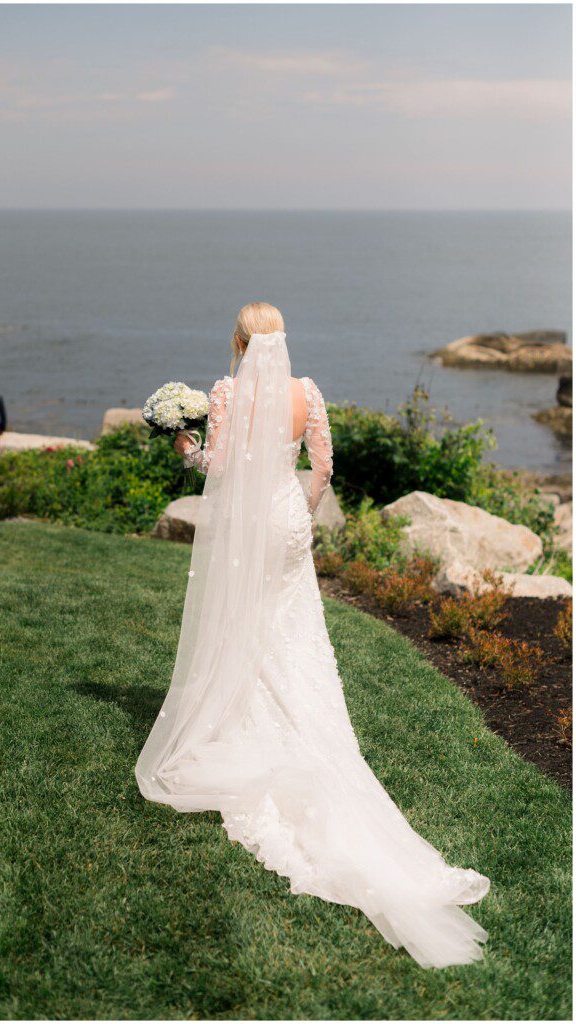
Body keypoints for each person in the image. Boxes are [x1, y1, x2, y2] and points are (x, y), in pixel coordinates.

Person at [135, 302, 489, 969]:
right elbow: (323, 466)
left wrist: (183, 444)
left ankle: (242, 722)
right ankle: (307, 728)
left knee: (244, 625)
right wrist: (294, 510)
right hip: (289, 522)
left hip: (251, 526)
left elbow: (218, 468)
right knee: (294, 631)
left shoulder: (227, 392)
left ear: (242, 341)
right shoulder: (308, 392)